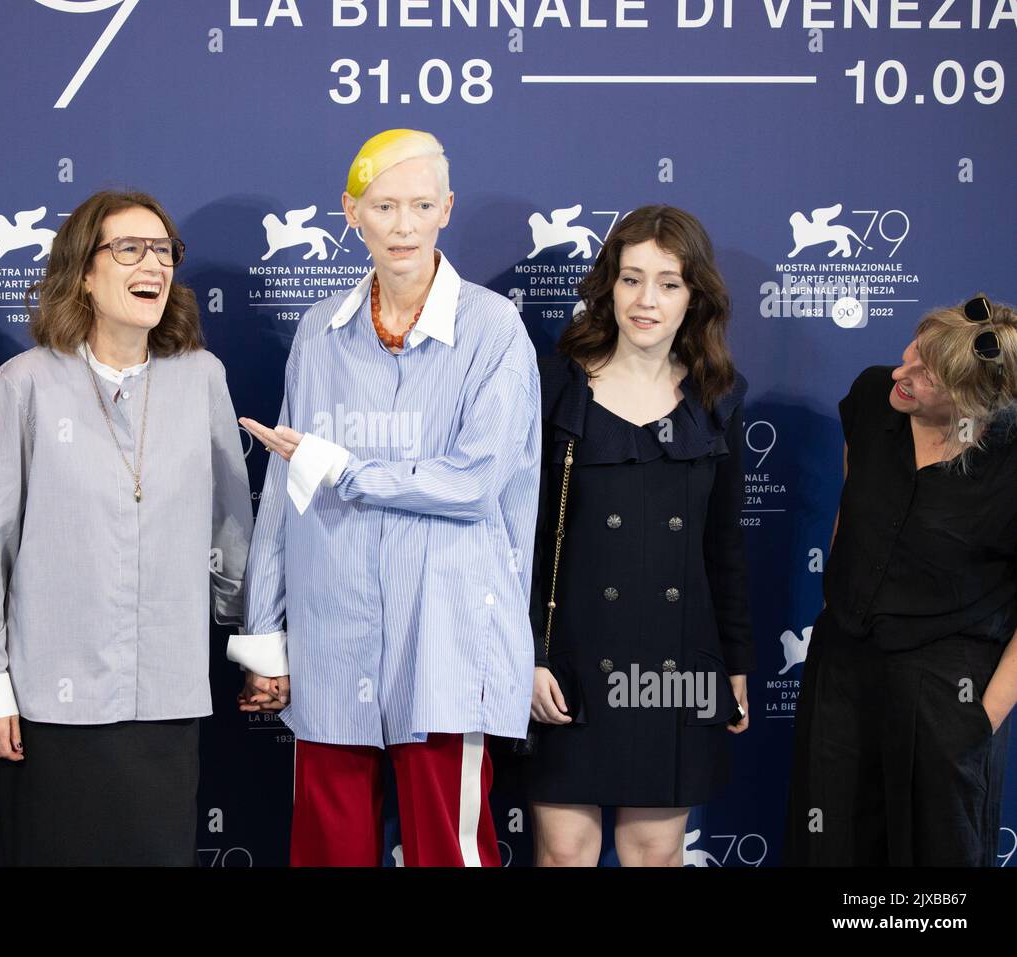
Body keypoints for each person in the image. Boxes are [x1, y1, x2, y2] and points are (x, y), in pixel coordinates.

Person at [229, 129, 541, 867]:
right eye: (385, 205)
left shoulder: (495, 329)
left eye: (421, 205)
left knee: (449, 852)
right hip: (332, 637)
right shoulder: (319, 333)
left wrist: (345, 466)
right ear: (351, 212)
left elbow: (472, 483)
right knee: (328, 852)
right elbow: (285, 485)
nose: (403, 224)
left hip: (447, 643)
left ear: (446, 210)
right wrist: (265, 633)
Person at [0, 190, 252, 866]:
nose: (153, 264)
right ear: (83, 271)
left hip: (167, 699)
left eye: (163, 250)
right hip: (49, 703)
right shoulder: (22, 385)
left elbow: (232, 520)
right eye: (129, 249)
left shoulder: (202, 378)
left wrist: (252, 632)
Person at [527, 206, 753, 867]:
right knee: (564, 851)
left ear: (696, 296)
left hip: (676, 665)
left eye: (668, 282)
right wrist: (526, 655)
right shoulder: (553, 387)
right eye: (631, 279)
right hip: (567, 657)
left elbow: (725, 546)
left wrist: (734, 662)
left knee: (655, 852)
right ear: (608, 286)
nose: (646, 300)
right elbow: (520, 537)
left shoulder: (719, 396)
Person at [785, 294, 1017, 866]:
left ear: (972, 401)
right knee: (829, 844)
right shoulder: (872, 398)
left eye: (925, 375)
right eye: (911, 353)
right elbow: (855, 501)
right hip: (844, 665)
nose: (901, 374)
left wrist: (979, 717)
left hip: (947, 687)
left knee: (936, 862)